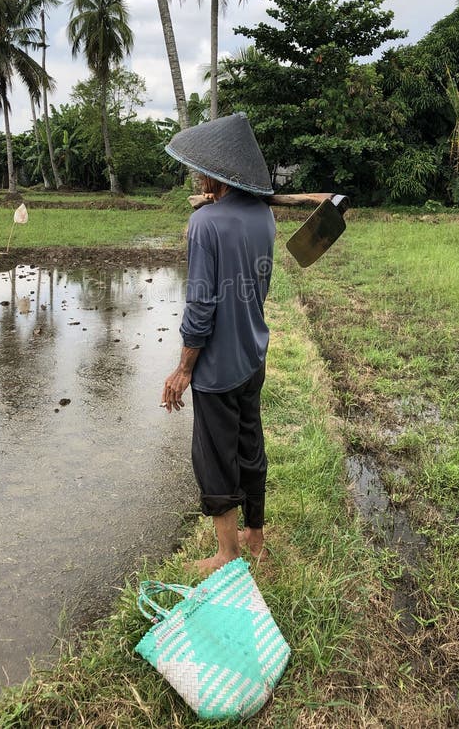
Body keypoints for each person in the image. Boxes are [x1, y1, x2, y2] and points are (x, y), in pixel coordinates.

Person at [160, 113, 276, 576]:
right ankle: (256, 536)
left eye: (203, 169)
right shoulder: (265, 216)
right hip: (253, 354)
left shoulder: (205, 224)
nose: (199, 176)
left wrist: (185, 368)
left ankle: (228, 553)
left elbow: (201, 304)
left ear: (216, 173)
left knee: (213, 456)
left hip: (217, 366)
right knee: (250, 444)